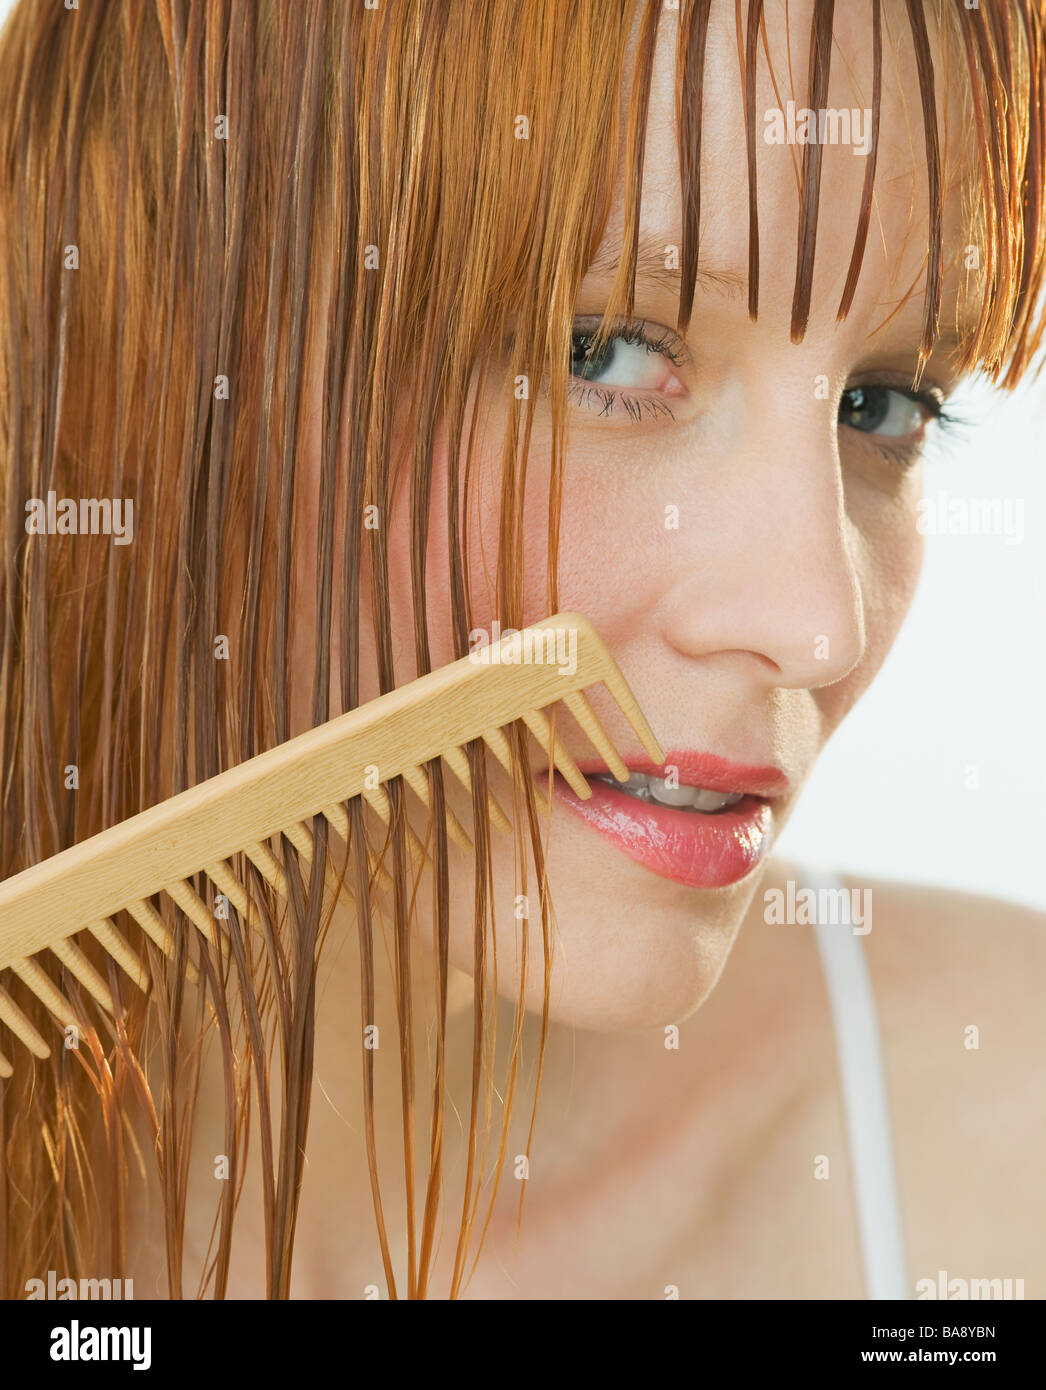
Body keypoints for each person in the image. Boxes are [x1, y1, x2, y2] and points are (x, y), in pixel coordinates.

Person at [1, 0, 1043, 1301]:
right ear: (132, 346)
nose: (812, 622)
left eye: (882, 405)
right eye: (599, 352)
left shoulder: (1005, 1132)